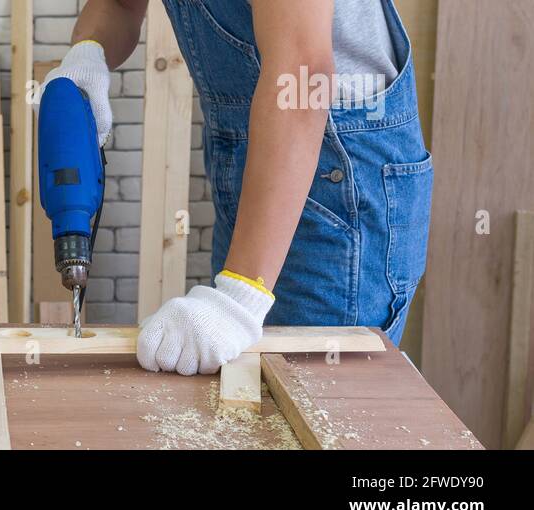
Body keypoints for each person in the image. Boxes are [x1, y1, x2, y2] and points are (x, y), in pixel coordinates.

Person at [43, 0, 432, 376]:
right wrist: (87, 53)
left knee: (324, 413)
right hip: (261, 161)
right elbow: (120, 5)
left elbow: (301, 73)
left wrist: (241, 296)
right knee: (251, 401)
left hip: (337, 174)